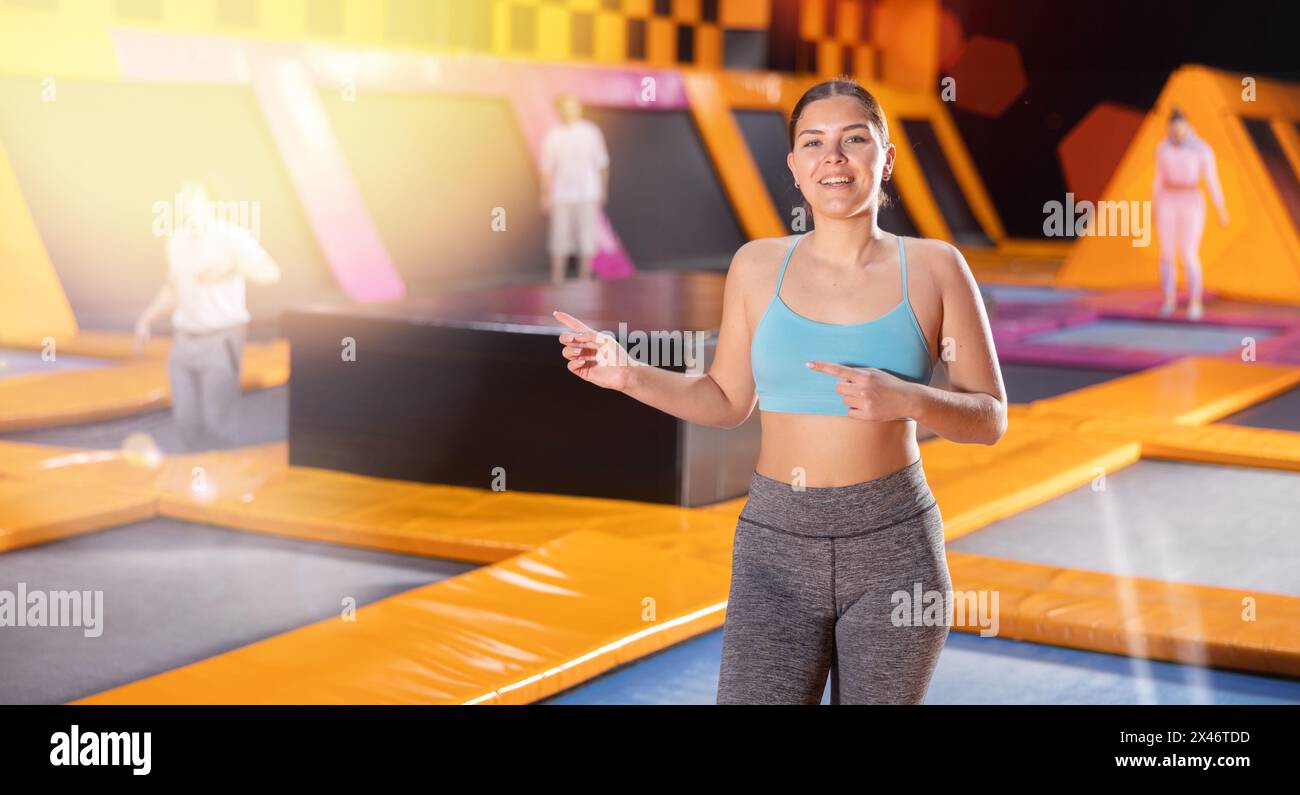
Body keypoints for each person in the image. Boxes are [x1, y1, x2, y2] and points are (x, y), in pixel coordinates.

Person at [553, 78, 1006, 704]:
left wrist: (909, 400)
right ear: (794, 166)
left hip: (894, 547)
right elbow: (725, 400)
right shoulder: (757, 265)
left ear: (887, 157)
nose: (835, 158)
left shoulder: (935, 267)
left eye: (854, 140)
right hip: (774, 546)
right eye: (814, 143)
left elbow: (989, 417)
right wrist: (629, 373)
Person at [134, 180, 281, 452]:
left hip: (222, 337)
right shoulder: (176, 241)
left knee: (218, 423)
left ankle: (224, 481)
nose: (187, 208)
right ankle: (197, 481)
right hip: (185, 338)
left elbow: (271, 272)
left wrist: (234, 266)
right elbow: (173, 287)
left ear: (210, 205)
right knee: (186, 421)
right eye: (183, 201)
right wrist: (147, 318)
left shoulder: (231, 237)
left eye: (193, 201)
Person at [1153, 107, 1228, 321]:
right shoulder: (1162, 148)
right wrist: (1153, 206)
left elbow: (1212, 180)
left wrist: (1220, 208)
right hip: (1168, 200)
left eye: (1179, 129)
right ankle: (1169, 299)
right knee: (1166, 253)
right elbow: (1157, 179)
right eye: (1173, 129)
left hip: (1192, 201)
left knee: (1188, 253)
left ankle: (1195, 301)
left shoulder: (1201, 149)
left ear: (1186, 126)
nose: (1176, 133)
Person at [539, 93, 609, 285]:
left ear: (579, 108)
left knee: (587, 235)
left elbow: (602, 163)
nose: (569, 110)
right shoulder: (553, 135)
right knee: (559, 236)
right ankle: (557, 279)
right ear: (560, 110)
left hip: (588, 193)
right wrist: (545, 195)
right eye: (565, 107)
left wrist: (603, 189)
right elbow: (546, 168)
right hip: (561, 195)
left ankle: (584, 278)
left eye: (573, 106)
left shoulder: (591, 132)